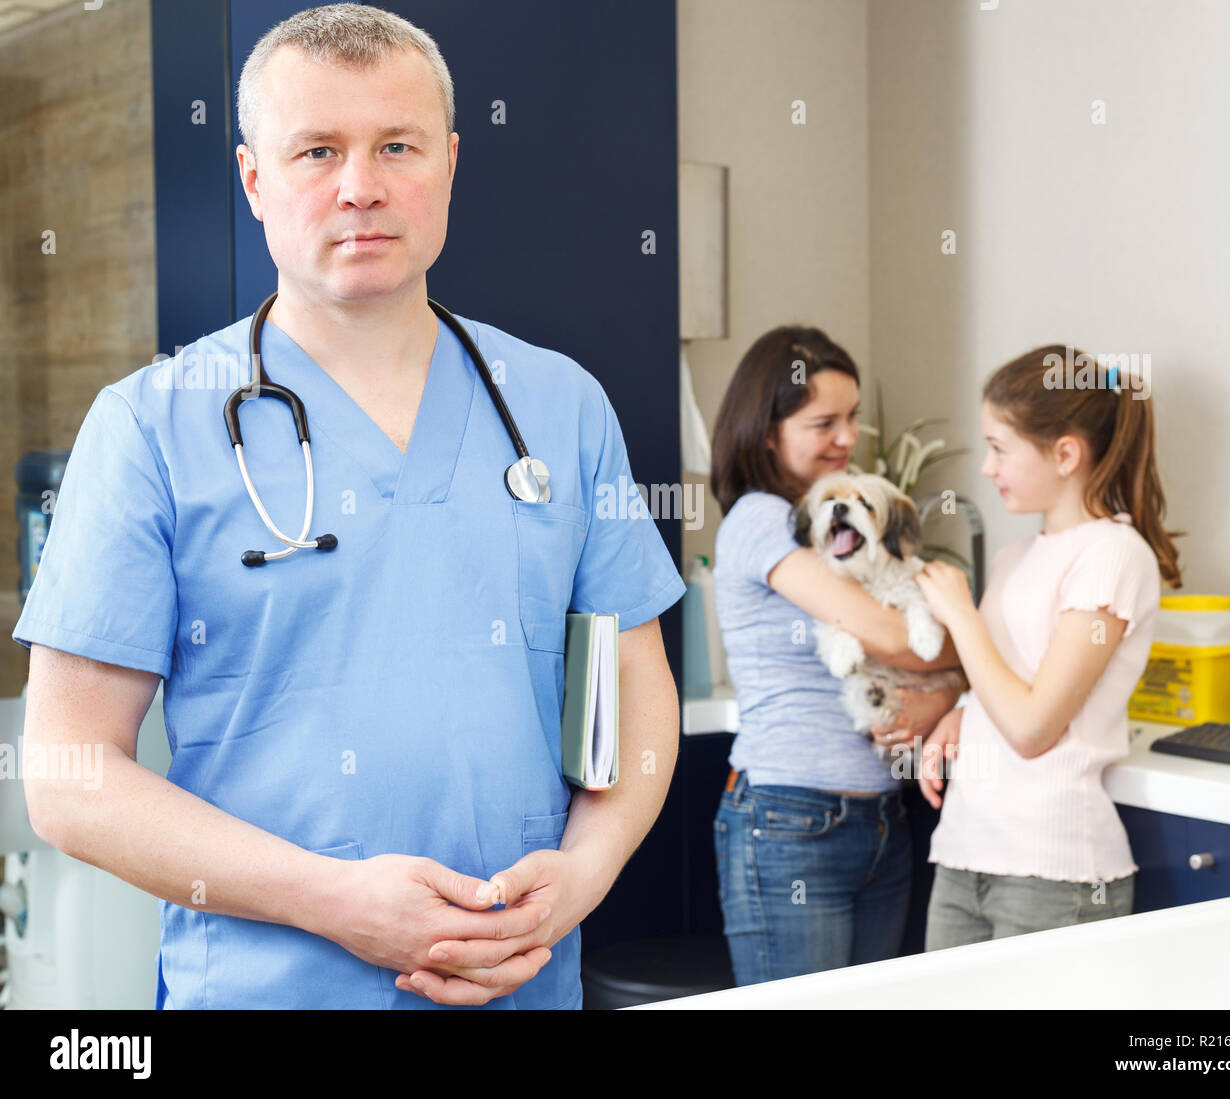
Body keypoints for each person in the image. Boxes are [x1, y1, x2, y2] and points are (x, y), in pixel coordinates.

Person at [13, 4, 685, 1010]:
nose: (360, 186)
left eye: (397, 145)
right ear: (253, 179)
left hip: (523, 983)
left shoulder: (558, 406)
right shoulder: (152, 425)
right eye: (316, 150)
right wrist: (333, 901)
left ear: (450, 163)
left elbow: (623, 706)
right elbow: (67, 774)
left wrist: (579, 877)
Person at [708, 325, 966, 986]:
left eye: (852, 417)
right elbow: (885, 632)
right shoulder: (763, 519)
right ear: (767, 431)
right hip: (790, 820)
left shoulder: (842, 523)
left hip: (881, 817)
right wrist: (965, 657)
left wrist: (944, 691)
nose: (847, 437)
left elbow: (940, 651)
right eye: (824, 422)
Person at [914, 344, 1181, 949]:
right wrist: (964, 714)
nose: (987, 467)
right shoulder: (1015, 558)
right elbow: (1011, 681)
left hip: (1052, 873)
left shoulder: (1113, 555)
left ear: (1065, 454)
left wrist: (960, 615)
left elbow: (1035, 729)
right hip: (963, 855)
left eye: (1000, 448)